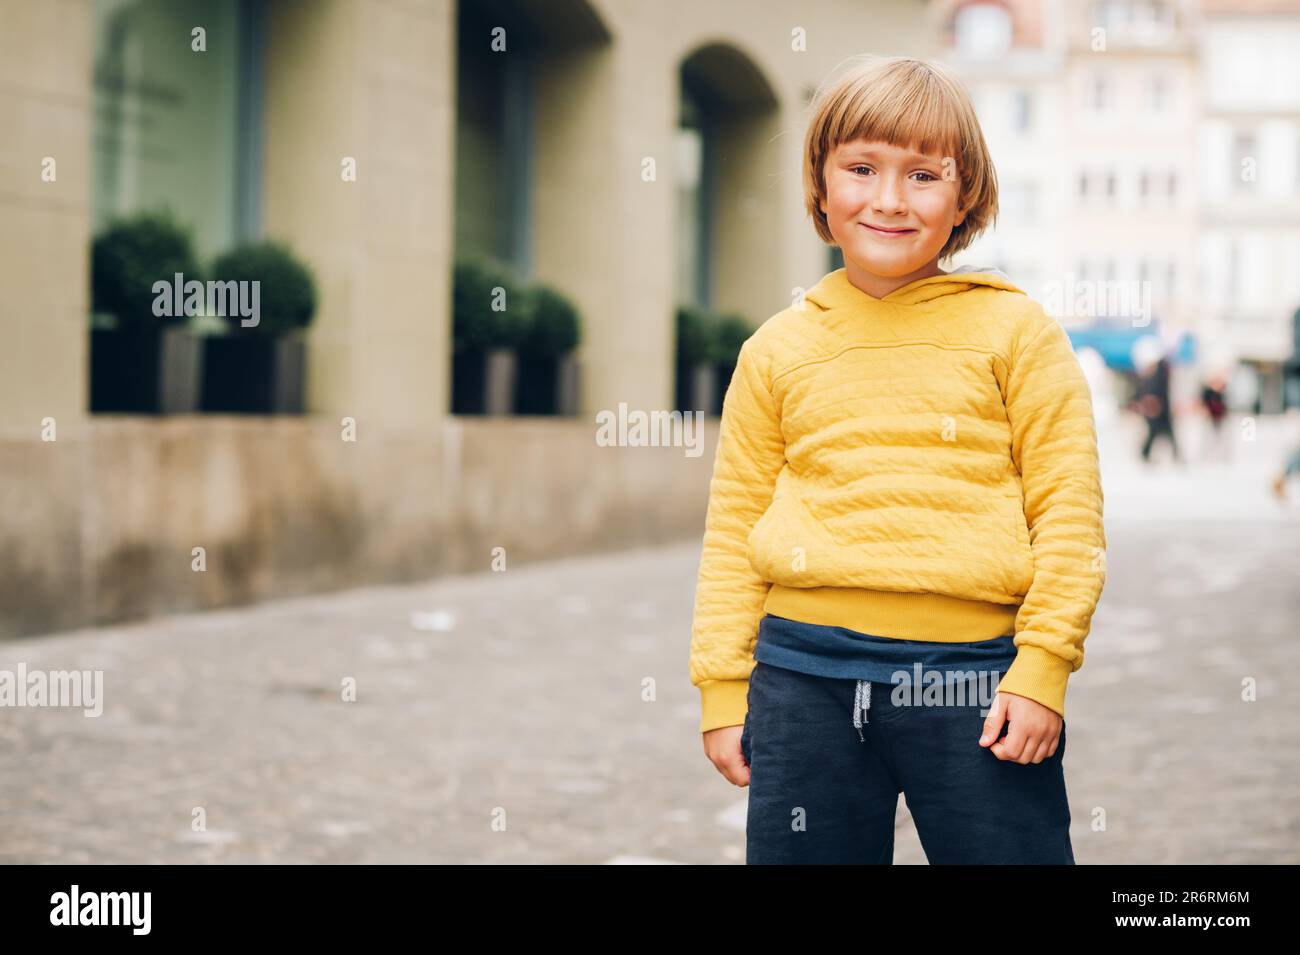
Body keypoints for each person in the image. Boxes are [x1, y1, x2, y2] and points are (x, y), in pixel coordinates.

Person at [689, 56, 1106, 864]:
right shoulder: (776, 349)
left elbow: (1069, 512)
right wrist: (722, 686)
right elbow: (735, 526)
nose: (888, 198)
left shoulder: (1017, 334)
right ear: (819, 186)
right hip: (801, 676)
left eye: (923, 174)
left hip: (975, 683)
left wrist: (1043, 666)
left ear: (966, 198)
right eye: (861, 168)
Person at [1130, 354, 1181, 464]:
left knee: (1164, 433)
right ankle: (1146, 453)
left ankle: (1175, 455)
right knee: (1156, 433)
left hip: (1160, 410)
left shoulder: (1158, 375)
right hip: (1156, 410)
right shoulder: (1153, 377)